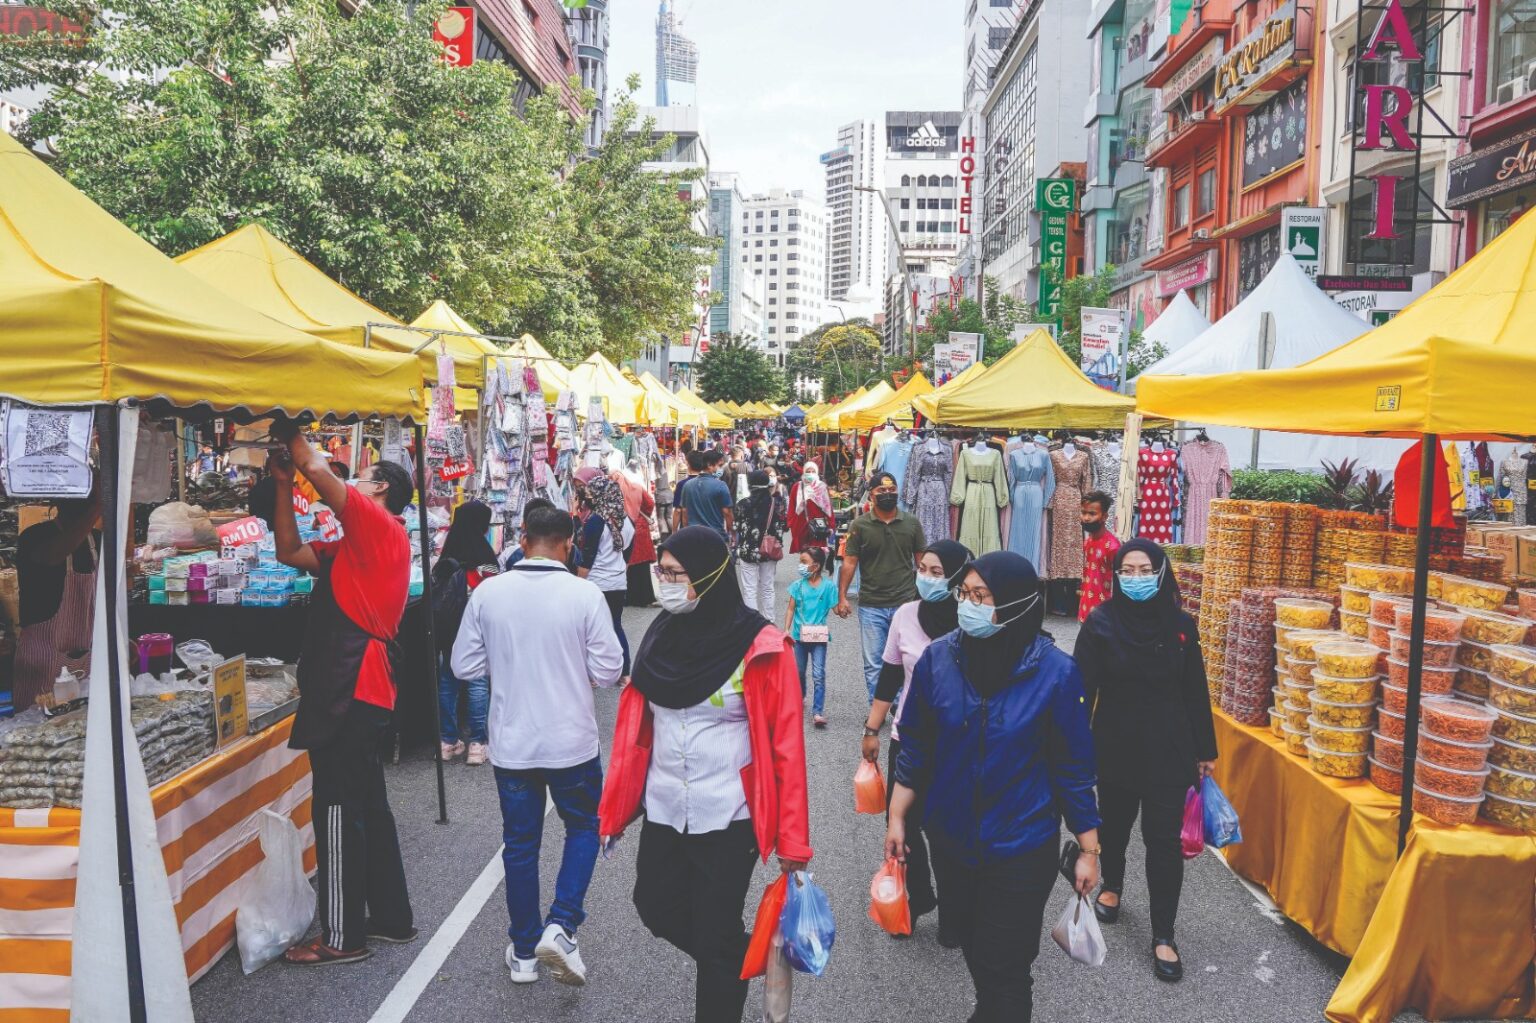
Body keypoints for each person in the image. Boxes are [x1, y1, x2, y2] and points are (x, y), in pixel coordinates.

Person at [599, 527, 812, 1023]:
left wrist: (794, 845)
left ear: (711, 575)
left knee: (715, 933)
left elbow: (787, 750)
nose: (665, 584)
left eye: (676, 575)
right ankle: (738, 959)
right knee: (654, 907)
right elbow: (635, 732)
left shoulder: (761, 645)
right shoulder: (660, 635)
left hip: (729, 815)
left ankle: (723, 971)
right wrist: (616, 808)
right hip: (666, 805)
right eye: (662, 572)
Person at [888, 551, 1100, 1022]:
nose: (969, 605)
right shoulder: (938, 660)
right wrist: (898, 816)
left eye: (982, 596)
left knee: (1006, 964)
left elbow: (1074, 769)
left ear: (1018, 603)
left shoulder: (1056, 674)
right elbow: (916, 746)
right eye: (965, 593)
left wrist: (1089, 847)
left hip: (1022, 845)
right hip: (950, 837)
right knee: (970, 940)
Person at [452, 502, 623, 986]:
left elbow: (463, 666)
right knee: (585, 826)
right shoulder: (583, 594)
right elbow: (609, 670)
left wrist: (508, 661)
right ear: (569, 544)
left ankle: (525, 950)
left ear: (522, 538)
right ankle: (562, 924)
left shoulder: (489, 593)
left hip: (513, 742)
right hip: (571, 739)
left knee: (521, 842)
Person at [268, 430, 416, 965]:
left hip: (354, 687)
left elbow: (317, 466)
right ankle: (392, 918)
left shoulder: (380, 525)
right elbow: (288, 551)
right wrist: (284, 484)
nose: (354, 479)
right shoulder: (356, 545)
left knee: (335, 806)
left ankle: (341, 936)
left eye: (364, 474)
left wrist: (292, 427)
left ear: (379, 490)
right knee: (367, 806)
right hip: (358, 687)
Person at [1074, 538, 1217, 983]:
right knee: (1113, 829)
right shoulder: (1100, 623)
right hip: (1114, 748)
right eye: (1126, 570)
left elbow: (1195, 689)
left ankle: (1163, 934)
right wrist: (1073, 749)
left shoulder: (1179, 626)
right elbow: (1080, 691)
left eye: (1144, 570)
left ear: (1160, 573)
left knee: (1163, 844)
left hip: (1169, 752)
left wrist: (1205, 750)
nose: (1135, 578)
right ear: (1116, 576)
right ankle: (1113, 887)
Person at [861, 539, 972, 941]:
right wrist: (871, 729)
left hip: (958, 745)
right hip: (906, 736)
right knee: (902, 823)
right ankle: (917, 895)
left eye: (937, 572)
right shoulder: (906, 615)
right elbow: (890, 675)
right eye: (922, 569)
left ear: (958, 578)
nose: (926, 578)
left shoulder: (972, 619)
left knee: (947, 830)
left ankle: (958, 910)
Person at [836, 471, 926, 703]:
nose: (887, 494)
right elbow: (849, 562)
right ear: (871, 496)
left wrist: (928, 598)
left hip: (905, 604)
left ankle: (899, 703)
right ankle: (879, 707)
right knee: (874, 662)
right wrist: (842, 597)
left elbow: (923, 563)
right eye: (881, 491)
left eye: (891, 489)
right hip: (871, 605)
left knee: (906, 657)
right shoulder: (860, 525)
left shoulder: (911, 523)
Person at [12, 493, 100, 710]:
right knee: (35, 733)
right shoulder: (35, 537)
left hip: (85, 659)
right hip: (41, 663)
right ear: (58, 500)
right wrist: (96, 509)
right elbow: (54, 555)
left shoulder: (97, 541)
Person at [433, 500, 497, 765]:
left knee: (448, 681)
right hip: (477, 632)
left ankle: (447, 741)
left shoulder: (446, 558)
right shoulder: (485, 559)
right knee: (478, 683)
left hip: (448, 633)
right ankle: (477, 744)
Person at [574, 470, 635, 683]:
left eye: (592, 495)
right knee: (615, 625)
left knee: (592, 630)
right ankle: (625, 674)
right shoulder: (627, 522)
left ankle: (593, 675)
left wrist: (577, 582)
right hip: (618, 581)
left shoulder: (596, 522)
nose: (588, 498)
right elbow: (627, 554)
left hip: (597, 582)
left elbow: (587, 557)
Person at [783, 546, 837, 727]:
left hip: (819, 638)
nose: (801, 566)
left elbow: (836, 608)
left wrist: (843, 609)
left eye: (804, 562)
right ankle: (802, 695)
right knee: (799, 671)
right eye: (800, 562)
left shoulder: (829, 587)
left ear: (816, 566)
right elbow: (791, 608)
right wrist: (786, 630)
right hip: (799, 637)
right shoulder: (797, 586)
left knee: (818, 673)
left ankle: (818, 712)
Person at [733, 470, 787, 620]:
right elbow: (784, 525)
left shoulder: (743, 504)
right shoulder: (777, 503)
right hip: (770, 551)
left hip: (748, 550)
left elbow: (737, 526)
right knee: (767, 587)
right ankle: (768, 620)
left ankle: (752, 623)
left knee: (749, 589)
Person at [612, 464, 658, 607]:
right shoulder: (637, 488)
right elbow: (650, 503)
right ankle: (645, 597)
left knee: (627, 564)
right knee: (642, 567)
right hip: (640, 528)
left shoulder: (612, 492)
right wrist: (641, 514)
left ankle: (629, 597)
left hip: (622, 529)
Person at [1078, 490, 1120, 622]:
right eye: (1083, 512)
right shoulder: (1088, 540)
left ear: (1104, 516)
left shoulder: (1113, 547)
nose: (1086, 518)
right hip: (1084, 611)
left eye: (1092, 514)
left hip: (1104, 616)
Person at [677, 448, 734, 542]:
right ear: (709, 465)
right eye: (719, 465)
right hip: (715, 536)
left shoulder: (687, 485)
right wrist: (732, 532)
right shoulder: (720, 486)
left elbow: (684, 513)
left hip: (694, 536)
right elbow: (727, 512)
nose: (720, 469)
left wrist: (687, 534)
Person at [787, 460, 833, 554]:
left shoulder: (822, 487)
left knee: (817, 553)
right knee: (804, 554)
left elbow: (828, 508)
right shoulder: (797, 486)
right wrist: (791, 523)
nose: (810, 474)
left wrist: (831, 525)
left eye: (813, 471)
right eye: (808, 472)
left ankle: (816, 568)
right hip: (800, 524)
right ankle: (804, 568)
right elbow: (791, 505)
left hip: (818, 525)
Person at [670, 449, 705, 534]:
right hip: (706, 527)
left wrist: (674, 531)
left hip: (688, 528)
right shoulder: (709, 483)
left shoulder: (682, 484)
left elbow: (678, 511)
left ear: (688, 464)